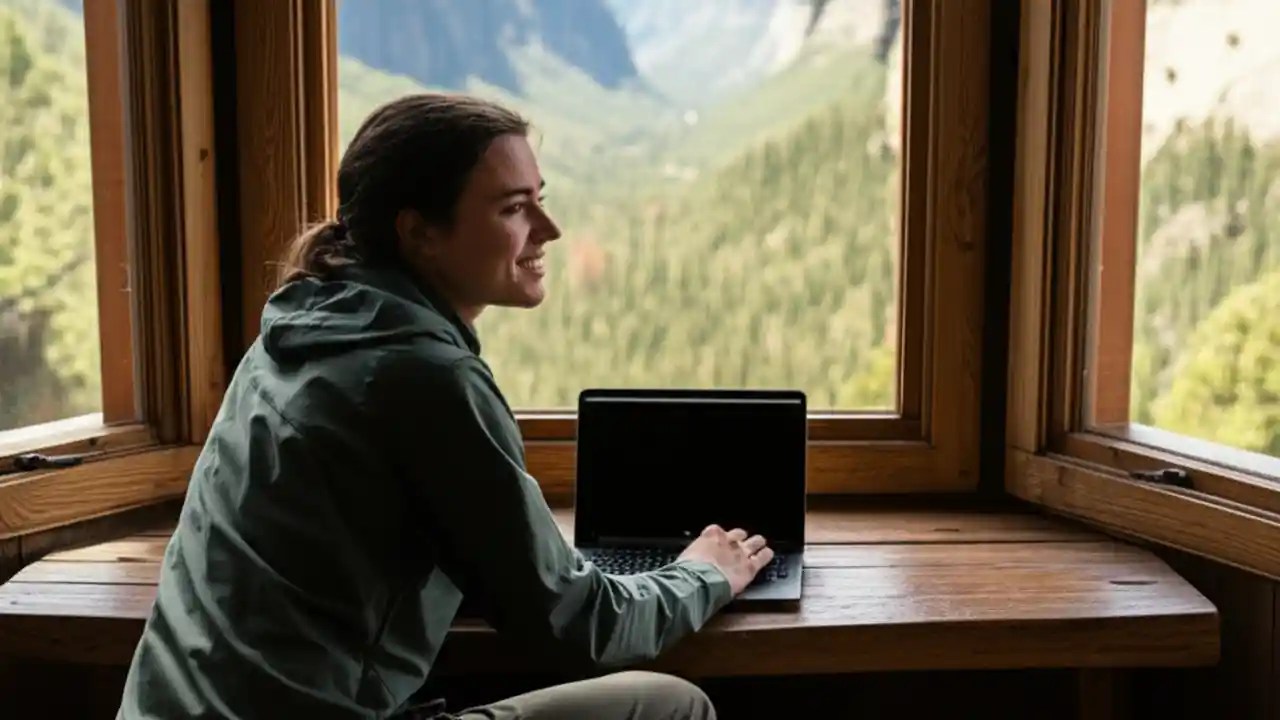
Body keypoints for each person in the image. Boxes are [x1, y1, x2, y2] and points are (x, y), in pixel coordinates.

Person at [116, 93, 774, 719]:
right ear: (420, 233)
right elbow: (579, 624)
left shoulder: (299, 325)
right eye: (514, 208)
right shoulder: (424, 378)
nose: (548, 229)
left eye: (539, 200)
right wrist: (702, 575)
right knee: (673, 706)